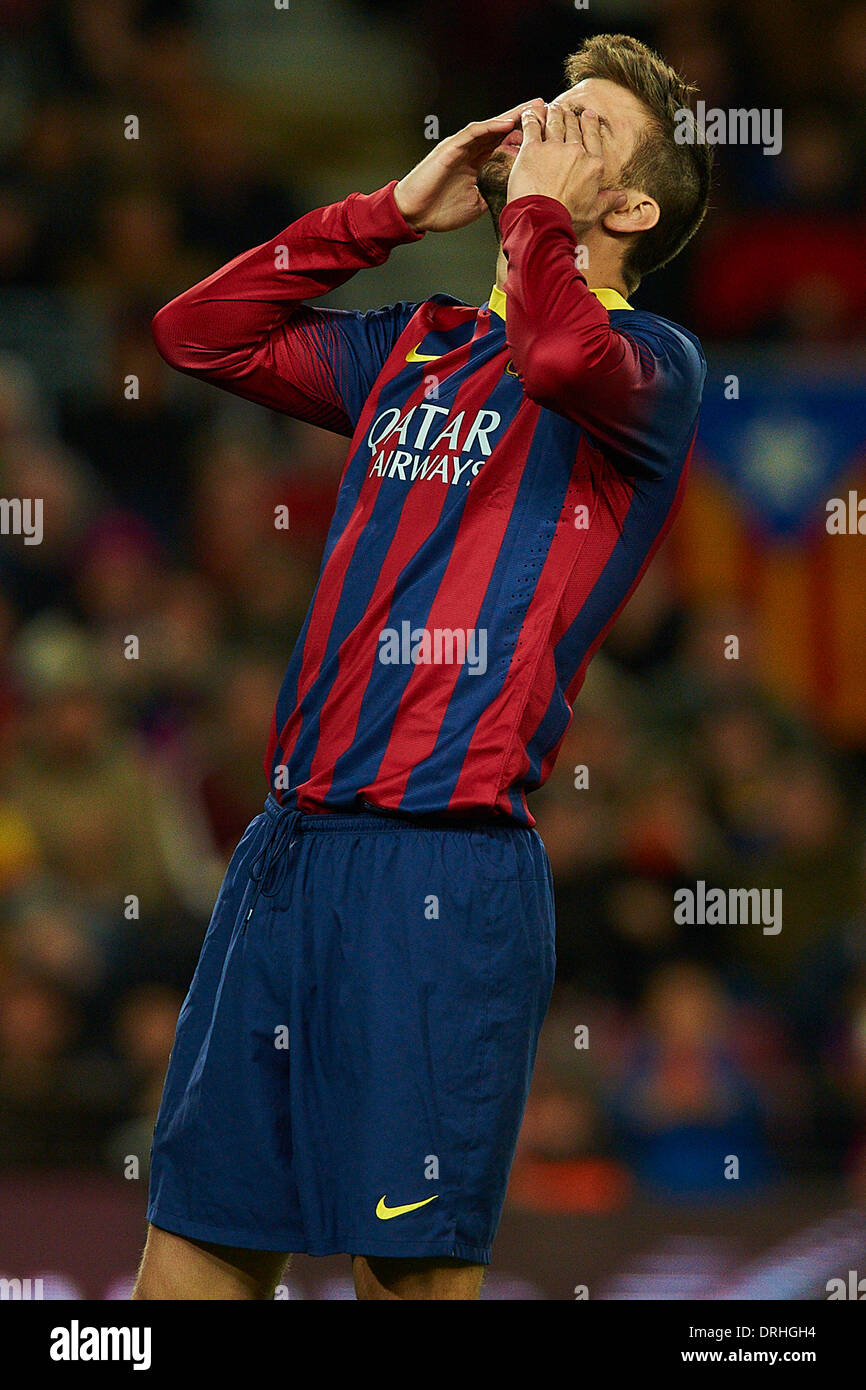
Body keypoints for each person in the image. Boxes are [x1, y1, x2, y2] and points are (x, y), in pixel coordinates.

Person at [133, 33, 711, 1301]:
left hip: (439, 869)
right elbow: (196, 334)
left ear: (628, 205)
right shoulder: (418, 346)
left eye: (584, 129)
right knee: (190, 1259)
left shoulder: (653, 370)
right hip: (284, 857)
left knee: (406, 1281)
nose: (542, 130)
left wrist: (535, 235)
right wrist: (384, 212)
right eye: (546, 108)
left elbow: (560, 357)